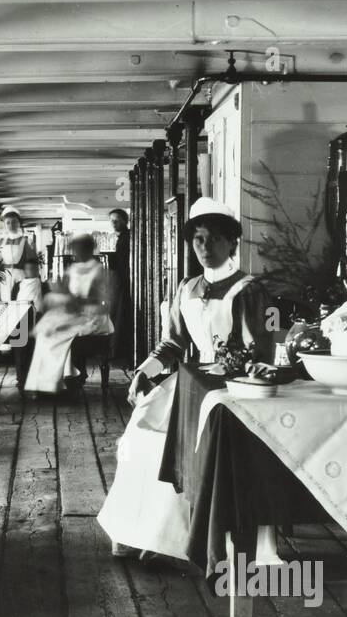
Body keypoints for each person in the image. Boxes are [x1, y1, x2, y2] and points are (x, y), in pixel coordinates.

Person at [99, 198, 276, 562]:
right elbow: (174, 342)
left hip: (231, 388)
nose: (205, 247)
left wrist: (244, 371)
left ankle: (175, 542)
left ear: (232, 243)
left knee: (179, 446)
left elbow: (259, 351)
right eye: (197, 240)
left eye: (213, 239)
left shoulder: (249, 289)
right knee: (140, 437)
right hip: (191, 383)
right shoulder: (186, 287)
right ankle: (140, 533)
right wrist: (144, 373)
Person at [24, 234, 114, 394]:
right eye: (74, 250)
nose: (76, 254)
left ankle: (66, 380)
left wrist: (81, 302)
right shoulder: (72, 269)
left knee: (59, 332)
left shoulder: (99, 271)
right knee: (45, 332)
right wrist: (60, 291)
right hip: (76, 313)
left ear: (89, 250)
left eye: (79, 250)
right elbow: (68, 293)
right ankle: (49, 383)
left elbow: (105, 302)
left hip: (93, 316)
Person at [0, 207, 44, 311]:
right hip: (4, 276)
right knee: (5, 302)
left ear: (18, 223)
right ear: (4, 225)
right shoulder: (0, 242)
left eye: (14, 222)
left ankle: (22, 324)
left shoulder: (26, 240)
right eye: (8, 222)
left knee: (21, 302)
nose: (11, 225)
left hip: (21, 274)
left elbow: (32, 261)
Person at [108, 208, 133, 367]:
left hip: (127, 284)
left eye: (116, 220)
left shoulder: (127, 238)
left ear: (125, 221)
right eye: (111, 220)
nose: (113, 223)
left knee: (124, 319)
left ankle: (125, 356)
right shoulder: (122, 238)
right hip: (124, 283)